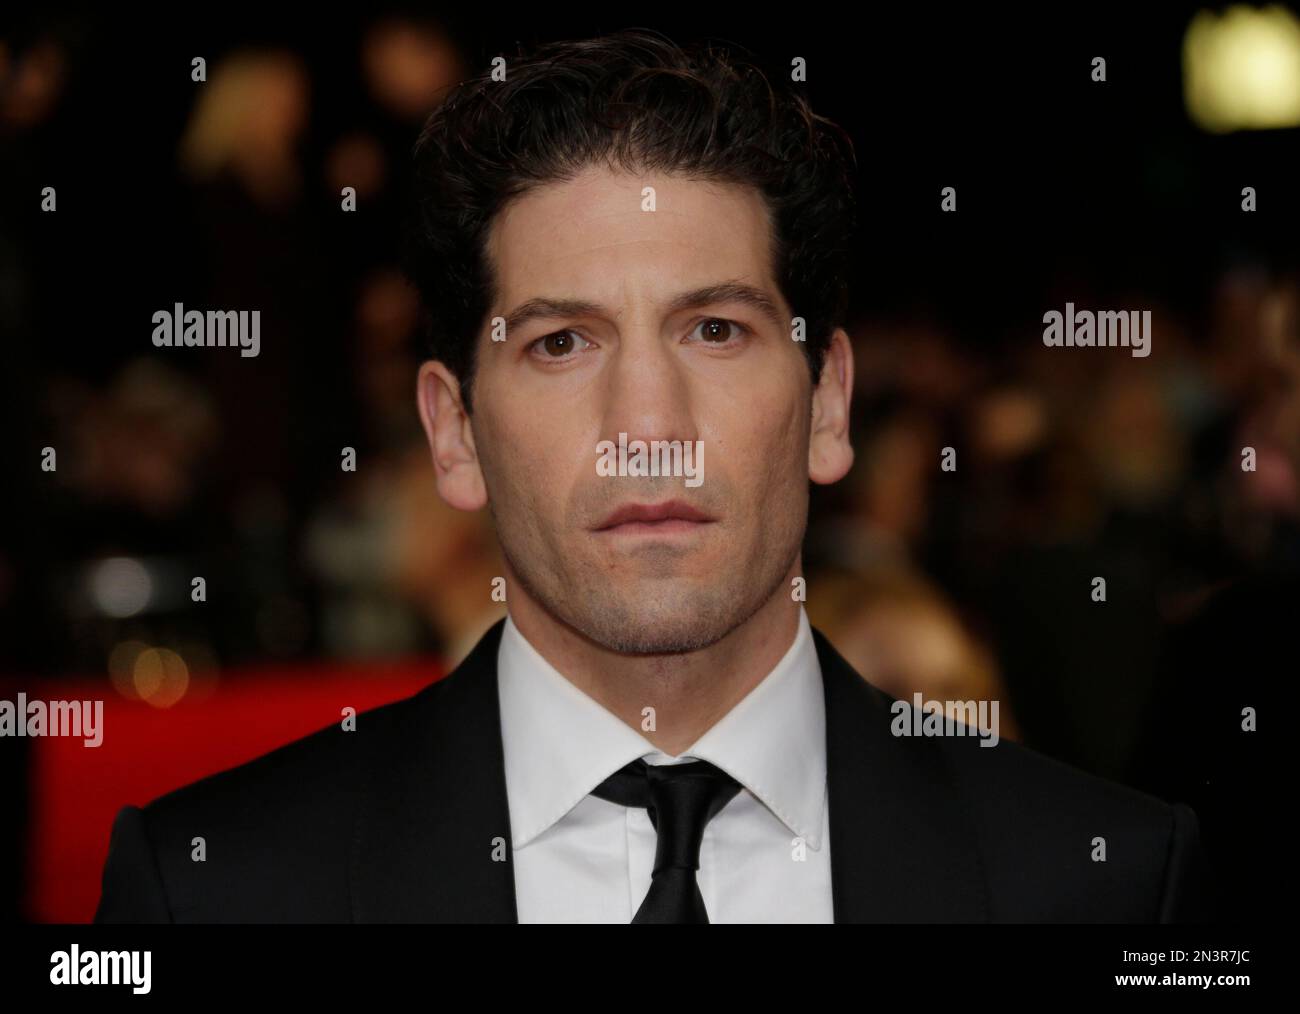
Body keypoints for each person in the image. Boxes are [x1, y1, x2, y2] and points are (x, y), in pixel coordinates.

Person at [95, 28, 1209, 923]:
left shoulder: (1100, 883)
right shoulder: (213, 891)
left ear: (826, 403)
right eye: (560, 344)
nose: (647, 425)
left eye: (715, 330)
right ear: (453, 434)